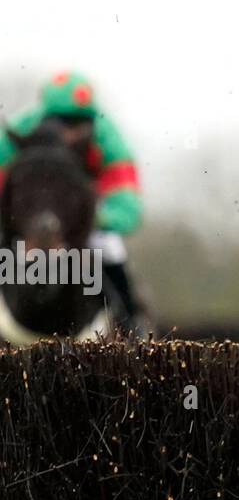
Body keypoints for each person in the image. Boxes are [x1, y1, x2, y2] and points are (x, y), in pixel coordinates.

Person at [0, 71, 146, 327]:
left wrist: (96, 218)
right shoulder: (18, 134)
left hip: (81, 222)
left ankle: (130, 323)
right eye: (63, 122)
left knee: (109, 246)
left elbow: (127, 205)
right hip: (25, 222)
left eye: (80, 123)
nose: (72, 133)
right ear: (45, 117)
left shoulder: (107, 140)